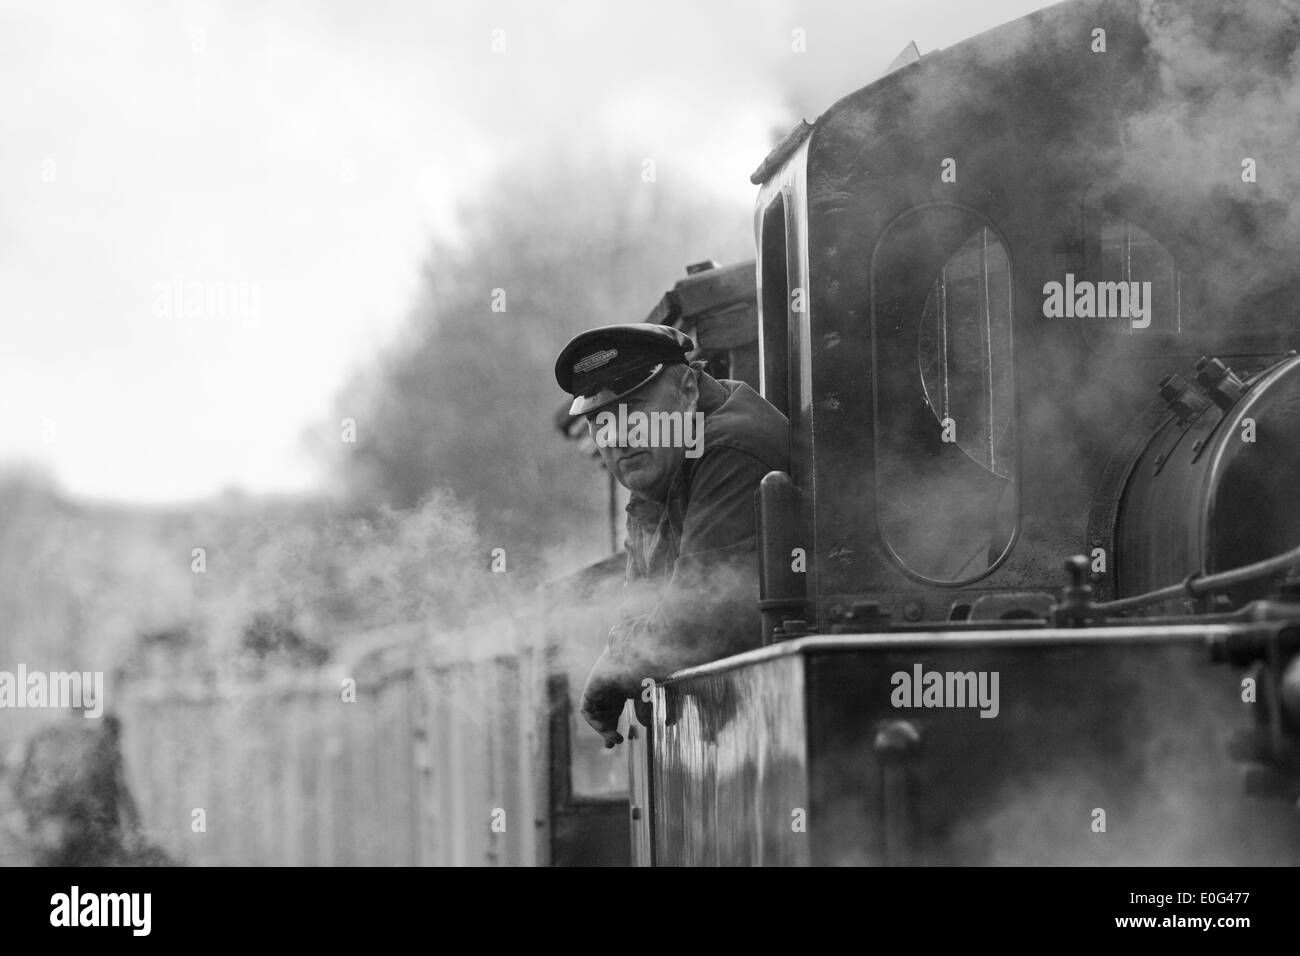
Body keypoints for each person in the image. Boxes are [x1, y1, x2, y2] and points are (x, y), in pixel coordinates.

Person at [554, 324, 789, 746]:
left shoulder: (727, 448)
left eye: (635, 407)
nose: (617, 435)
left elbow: (699, 623)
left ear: (686, 391)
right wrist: (627, 651)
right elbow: (640, 605)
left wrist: (617, 659)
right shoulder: (660, 461)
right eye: (599, 420)